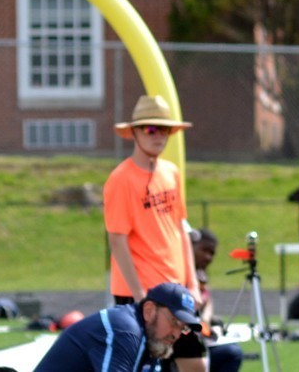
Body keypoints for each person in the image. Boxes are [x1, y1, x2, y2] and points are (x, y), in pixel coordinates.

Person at [105, 95, 203, 371]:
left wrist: (193, 284)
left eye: (164, 129)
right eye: (150, 128)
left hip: (176, 290)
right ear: (134, 132)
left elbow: (181, 229)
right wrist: (140, 296)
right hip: (140, 294)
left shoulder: (171, 172)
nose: (158, 135)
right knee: (142, 366)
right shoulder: (121, 178)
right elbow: (117, 239)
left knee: (195, 364)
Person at [34, 282, 201, 371]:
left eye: (183, 328)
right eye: (174, 322)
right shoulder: (125, 330)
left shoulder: (152, 340)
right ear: (149, 311)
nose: (176, 334)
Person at [185, 225, 243, 372]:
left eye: (212, 253)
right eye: (204, 250)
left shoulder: (200, 273)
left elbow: (207, 300)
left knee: (232, 350)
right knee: (232, 354)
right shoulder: (182, 273)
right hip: (183, 340)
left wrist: (206, 319)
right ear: (191, 246)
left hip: (200, 337)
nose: (208, 257)